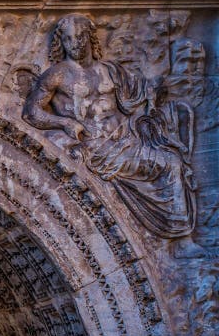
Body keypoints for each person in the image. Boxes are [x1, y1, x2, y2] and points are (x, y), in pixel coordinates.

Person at [23, 14, 200, 250]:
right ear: (61, 43)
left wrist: (155, 90)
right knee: (166, 164)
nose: (74, 44)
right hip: (94, 146)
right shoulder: (58, 74)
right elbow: (31, 113)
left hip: (126, 140)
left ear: (91, 38)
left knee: (172, 162)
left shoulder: (111, 70)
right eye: (68, 39)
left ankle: (182, 239)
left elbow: (138, 97)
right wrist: (63, 123)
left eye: (80, 37)